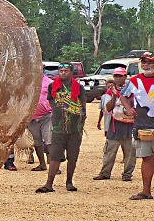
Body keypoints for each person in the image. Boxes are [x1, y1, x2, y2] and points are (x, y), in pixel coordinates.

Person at [36, 62, 86, 193]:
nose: (63, 73)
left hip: (75, 128)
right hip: (58, 127)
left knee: (72, 156)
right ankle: (49, 183)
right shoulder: (54, 86)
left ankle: (69, 181)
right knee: (55, 156)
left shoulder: (79, 88)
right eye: (61, 71)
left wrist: (80, 123)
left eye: (66, 71)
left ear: (71, 72)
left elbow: (83, 109)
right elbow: (52, 103)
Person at [120, 51, 154, 200]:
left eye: (149, 62)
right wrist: (128, 108)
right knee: (147, 158)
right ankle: (146, 191)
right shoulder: (134, 81)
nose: (146, 65)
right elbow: (123, 95)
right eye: (143, 62)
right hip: (143, 125)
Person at [93, 67, 135, 181]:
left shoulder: (132, 89)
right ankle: (105, 173)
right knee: (110, 150)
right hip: (115, 124)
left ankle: (127, 174)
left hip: (130, 124)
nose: (118, 78)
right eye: (116, 76)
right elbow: (108, 108)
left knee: (130, 152)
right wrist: (114, 96)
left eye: (120, 76)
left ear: (125, 77)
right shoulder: (110, 91)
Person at [28, 74, 54, 172]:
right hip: (31, 118)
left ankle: (53, 165)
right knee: (37, 142)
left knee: (49, 140)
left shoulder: (49, 83)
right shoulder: (27, 81)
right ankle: (42, 164)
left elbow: (56, 98)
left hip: (46, 116)